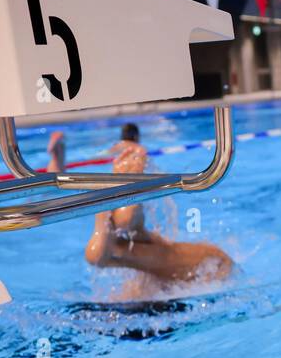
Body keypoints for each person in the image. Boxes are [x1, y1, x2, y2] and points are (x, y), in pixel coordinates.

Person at [46, 123, 233, 293]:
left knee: (210, 261)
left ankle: (117, 216)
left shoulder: (115, 150)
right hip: (160, 301)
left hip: (130, 302)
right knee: (219, 262)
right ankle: (126, 219)